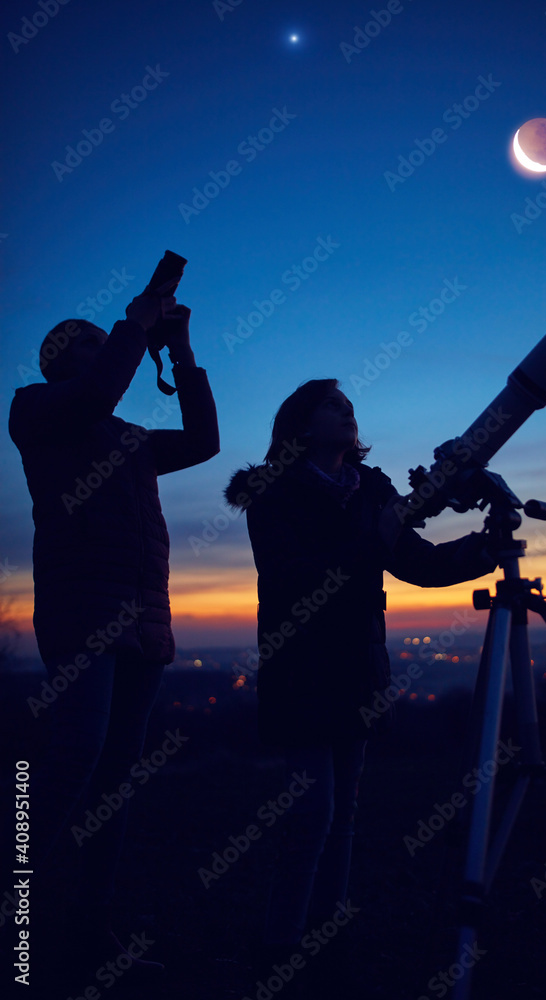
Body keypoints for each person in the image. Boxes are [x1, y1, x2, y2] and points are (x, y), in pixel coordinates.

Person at [224, 378, 496, 981]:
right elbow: (289, 573)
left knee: (344, 807)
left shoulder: (371, 488)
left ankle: (327, 931)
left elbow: (415, 562)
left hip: (358, 661)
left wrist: (482, 551)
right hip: (302, 663)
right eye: (332, 405)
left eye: (349, 407)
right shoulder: (273, 492)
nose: (346, 413)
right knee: (312, 810)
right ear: (300, 422)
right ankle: (281, 942)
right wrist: (364, 543)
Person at [7, 290, 219, 982]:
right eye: (90, 340)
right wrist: (137, 324)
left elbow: (202, 441)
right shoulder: (35, 410)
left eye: (108, 338)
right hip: (81, 611)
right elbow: (95, 394)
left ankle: (86, 937)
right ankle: (16, 921)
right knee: (74, 760)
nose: (106, 346)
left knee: (112, 783)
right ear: (59, 359)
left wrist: (181, 353)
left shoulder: (127, 440)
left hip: (141, 617)